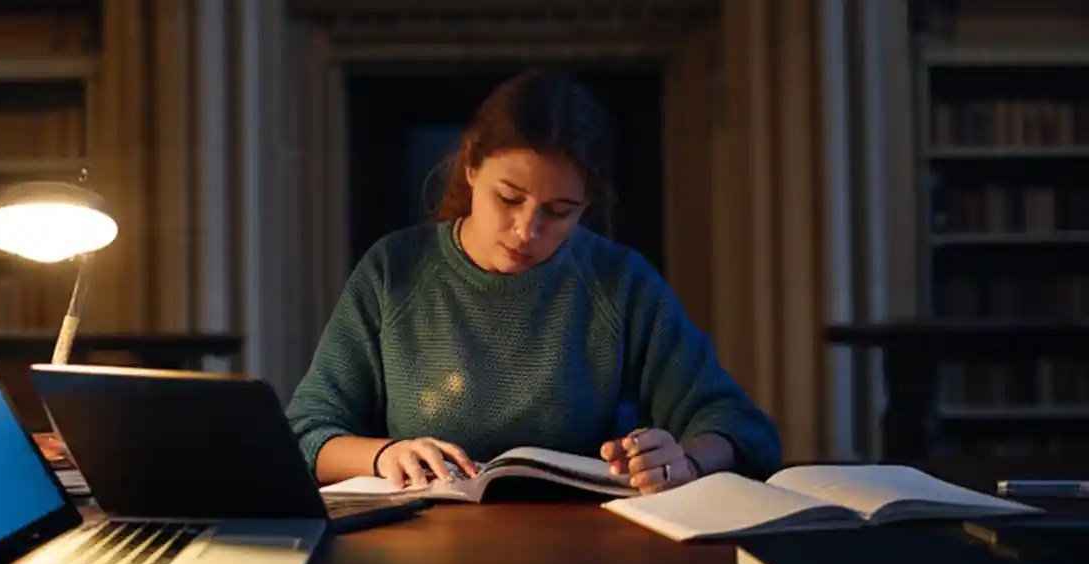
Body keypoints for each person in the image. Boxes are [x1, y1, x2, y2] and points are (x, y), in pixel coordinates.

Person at [286, 69, 780, 495]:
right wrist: (383, 455)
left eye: (559, 212)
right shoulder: (394, 270)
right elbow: (308, 430)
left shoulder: (618, 281)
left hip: (584, 548)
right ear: (472, 165)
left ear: (587, 206)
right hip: (420, 547)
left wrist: (682, 460)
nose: (527, 231)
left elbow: (739, 426)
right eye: (509, 198)